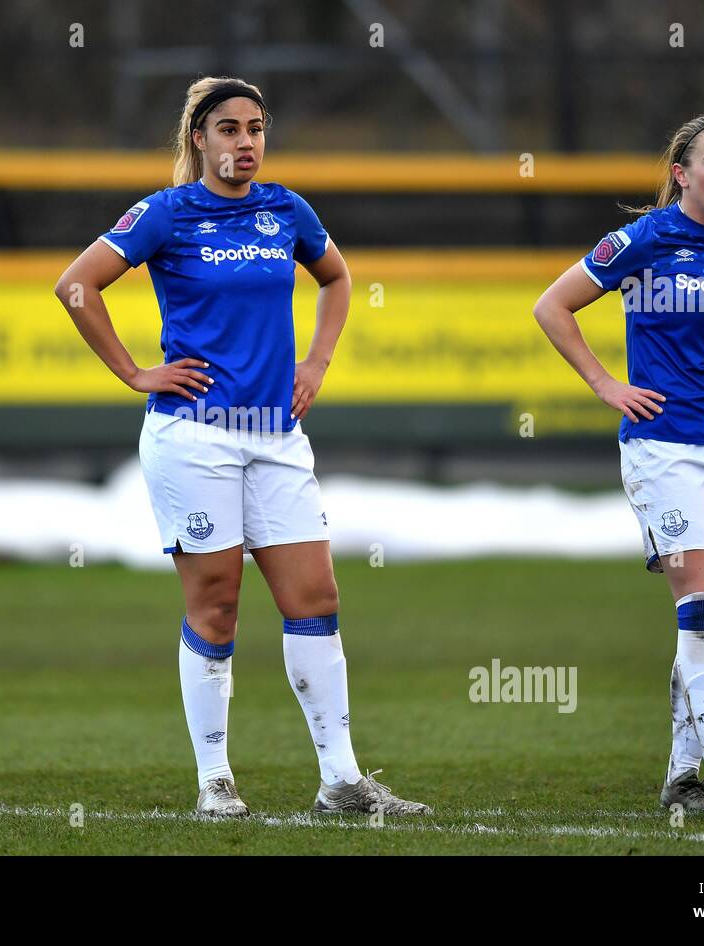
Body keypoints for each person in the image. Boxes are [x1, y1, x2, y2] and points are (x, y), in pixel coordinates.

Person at [54, 76, 431, 818]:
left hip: (277, 440)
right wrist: (134, 371)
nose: (245, 143)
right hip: (194, 440)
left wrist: (317, 362)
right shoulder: (164, 213)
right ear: (199, 139)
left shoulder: (285, 209)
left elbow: (337, 278)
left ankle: (341, 781)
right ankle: (216, 782)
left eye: (256, 128)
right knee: (217, 607)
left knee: (316, 598)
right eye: (228, 129)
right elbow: (75, 286)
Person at [533, 114, 704, 812]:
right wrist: (607, 386)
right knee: (701, 601)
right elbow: (553, 306)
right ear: (682, 174)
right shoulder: (642, 240)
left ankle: (679, 773)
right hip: (662, 445)